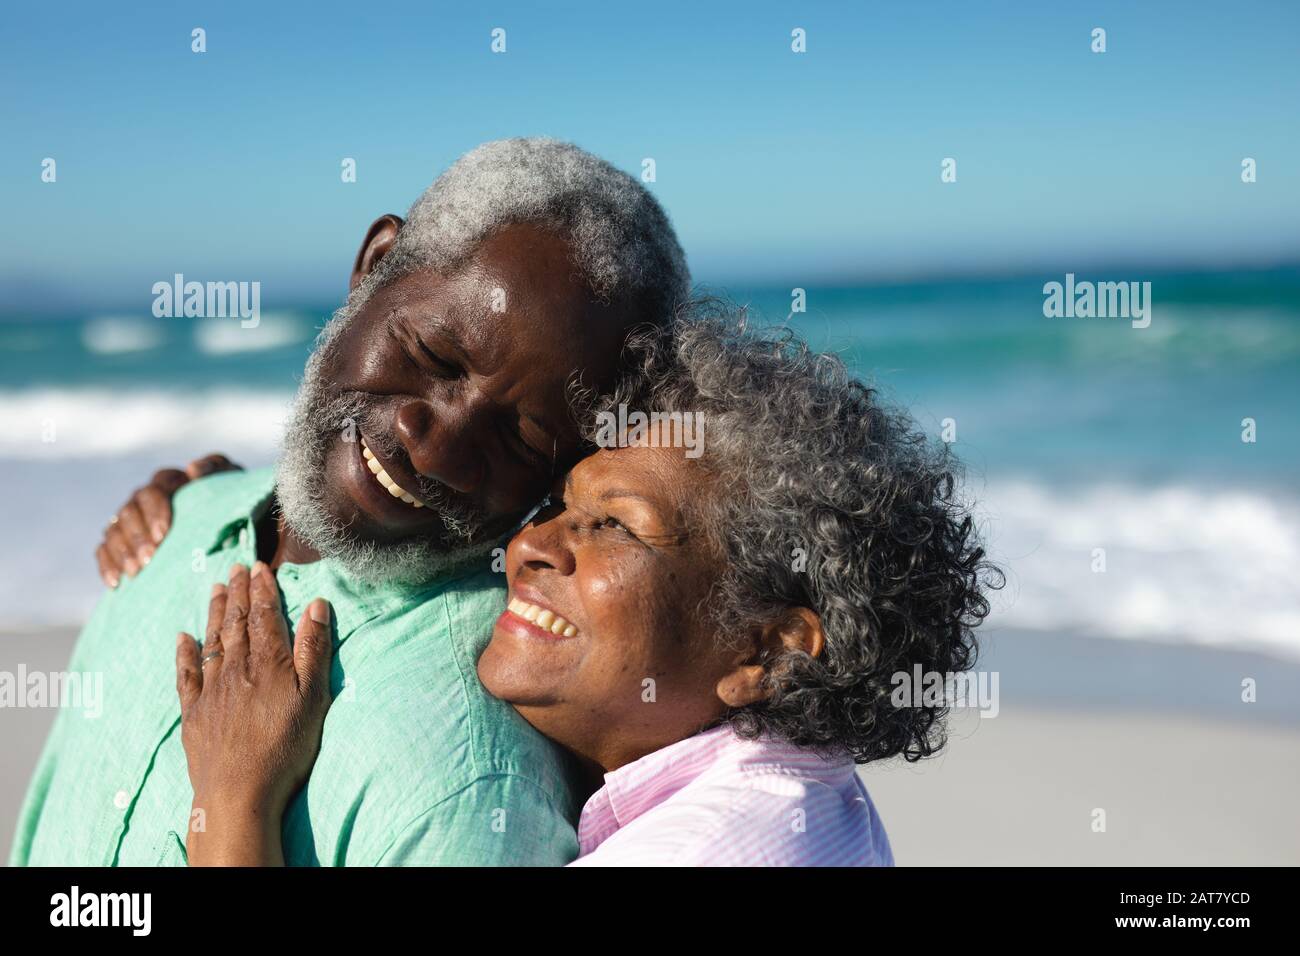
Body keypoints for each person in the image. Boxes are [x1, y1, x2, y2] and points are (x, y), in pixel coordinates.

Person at [10, 138, 690, 866]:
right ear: (374, 266)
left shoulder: (462, 781)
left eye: (522, 441)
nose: (435, 449)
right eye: (432, 355)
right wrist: (196, 498)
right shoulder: (175, 528)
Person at [167, 312, 999, 865]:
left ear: (768, 649)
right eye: (558, 508)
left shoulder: (712, 849)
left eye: (617, 526)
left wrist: (234, 800)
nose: (530, 545)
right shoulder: (786, 792)